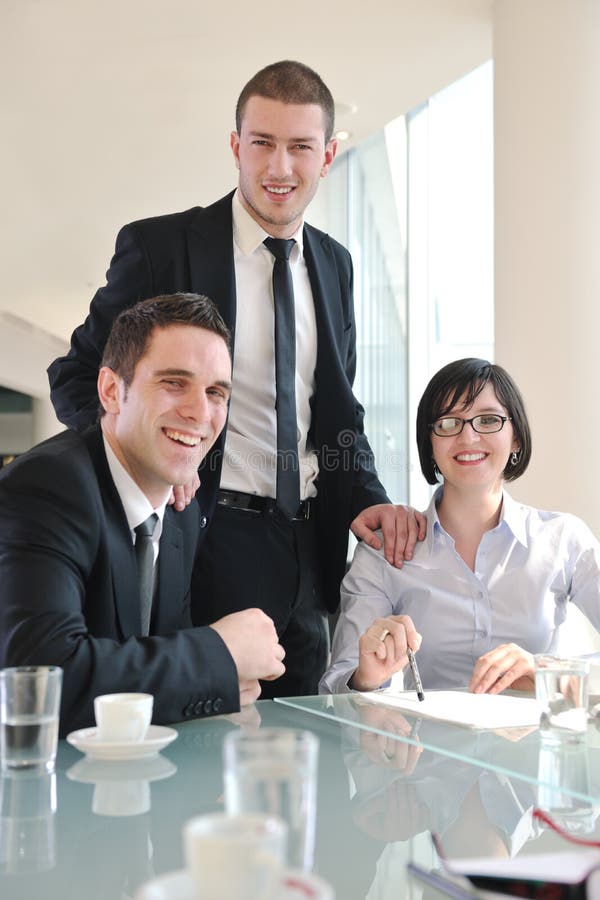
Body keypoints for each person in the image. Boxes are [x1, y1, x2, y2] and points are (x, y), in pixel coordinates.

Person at [47, 60, 424, 697]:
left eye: (300, 146)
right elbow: (79, 378)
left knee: (305, 763)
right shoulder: (160, 248)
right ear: (235, 146)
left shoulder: (336, 264)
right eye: (262, 144)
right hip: (198, 542)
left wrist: (367, 499)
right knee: (197, 756)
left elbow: (335, 417)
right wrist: (156, 460)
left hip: (307, 556)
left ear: (328, 155)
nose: (280, 168)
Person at [0, 294, 285, 735]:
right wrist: (219, 656)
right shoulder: (51, 484)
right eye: (174, 383)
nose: (200, 412)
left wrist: (220, 677)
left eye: (216, 393)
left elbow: (159, 659)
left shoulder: (181, 510)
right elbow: (43, 681)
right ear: (112, 391)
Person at [320, 357, 600, 696]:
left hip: (538, 744)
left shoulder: (563, 539)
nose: (468, 437)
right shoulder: (385, 551)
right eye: (449, 423)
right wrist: (365, 677)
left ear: (516, 438)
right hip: (425, 746)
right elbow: (334, 691)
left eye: (487, 420)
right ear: (430, 444)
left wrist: (549, 672)